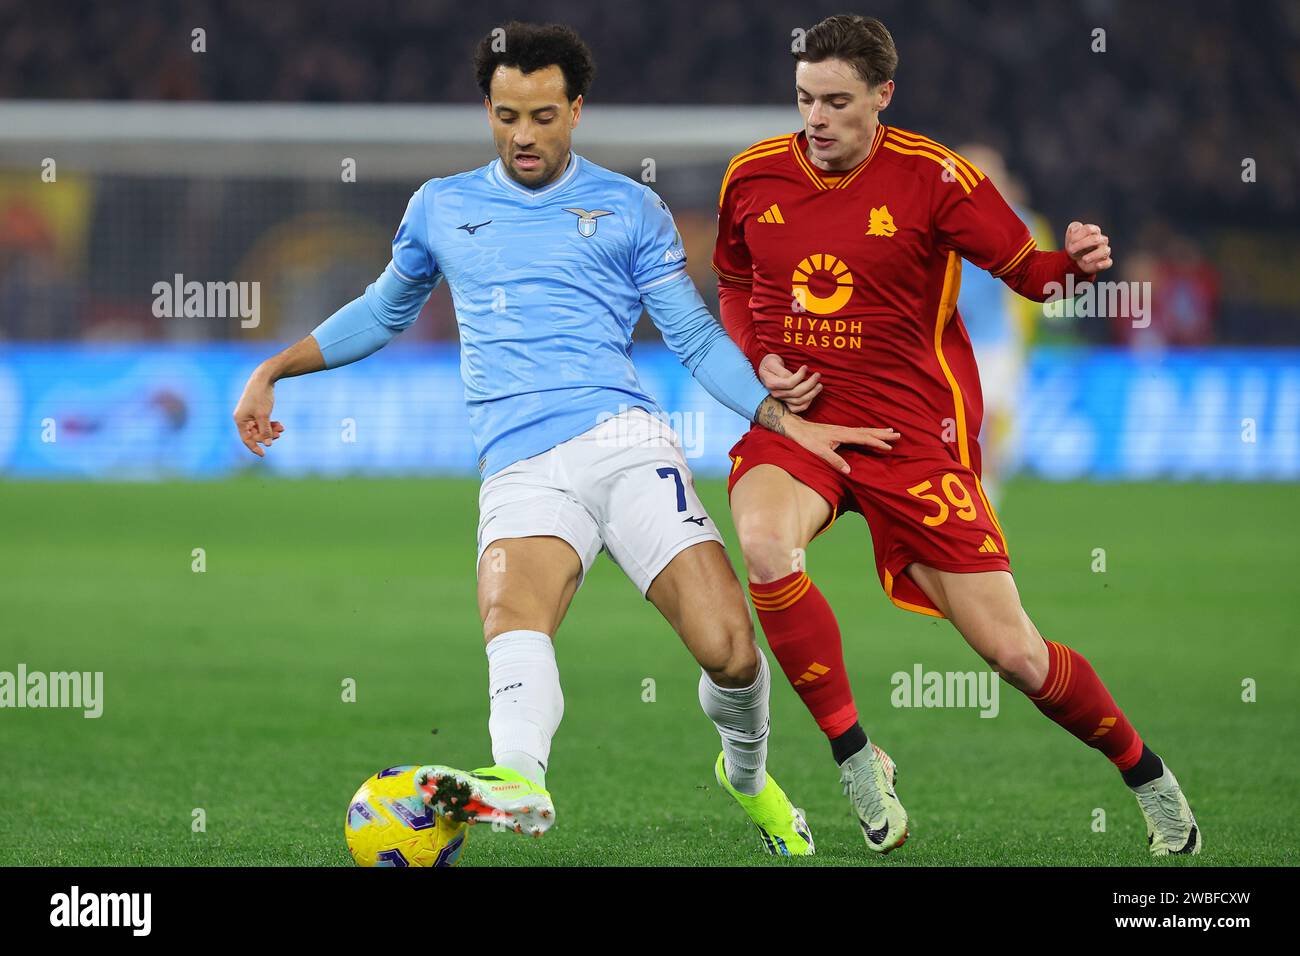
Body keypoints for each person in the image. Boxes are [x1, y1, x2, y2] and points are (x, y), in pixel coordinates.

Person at [233, 21, 895, 856]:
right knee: (513, 614)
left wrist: (782, 420)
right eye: (507, 115)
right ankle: (519, 780)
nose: (524, 135)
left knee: (730, 652)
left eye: (543, 115)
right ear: (489, 112)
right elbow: (382, 310)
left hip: (624, 443)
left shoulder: (629, 207)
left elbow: (691, 336)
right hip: (517, 461)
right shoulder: (441, 206)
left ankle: (748, 776)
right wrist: (276, 369)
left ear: (576, 111)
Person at [713, 14, 1199, 856]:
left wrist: (1075, 263)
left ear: (882, 98)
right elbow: (732, 279)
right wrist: (760, 363)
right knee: (762, 548)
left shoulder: (937, 178)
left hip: (912, 440)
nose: (816, 119)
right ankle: (856, 756)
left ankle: (1145, 774)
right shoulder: (753, 176)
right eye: (804, 100)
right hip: (802, 428)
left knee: (1015, 655)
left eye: (836, 102)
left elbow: (1031, 274)